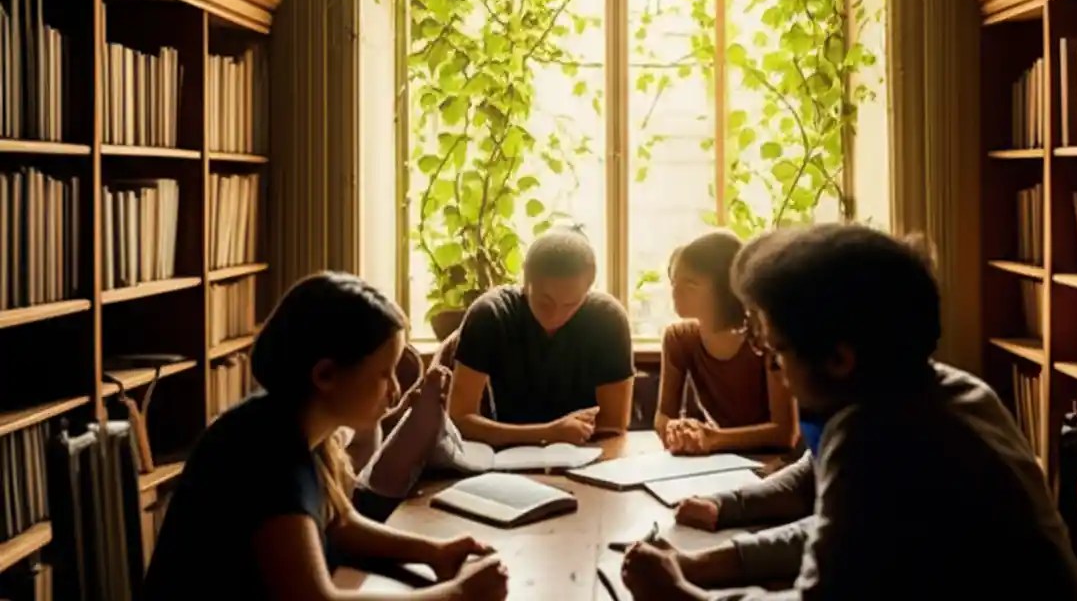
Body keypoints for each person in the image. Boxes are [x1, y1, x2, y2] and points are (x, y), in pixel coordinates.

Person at [622, 224, 1077, 601]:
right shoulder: (946, 390)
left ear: (839, 358)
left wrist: (676, 594)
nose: (771, 363)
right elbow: (821, 504)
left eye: (778, 348)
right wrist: (699, 561)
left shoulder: (878, 435)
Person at [143, 271, 509, 601]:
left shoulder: (296, 426)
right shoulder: (267, 455)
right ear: (325, 376)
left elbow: (341, 524)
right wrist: (456, 595)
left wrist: (435, 551)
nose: (396, 392)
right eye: (384, 375)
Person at [447, 228, 634, 446]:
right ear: (526, 280)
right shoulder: (491, 315)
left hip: (586, 451)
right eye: (545, 302)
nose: (556, 316)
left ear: (589, 286)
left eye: (571, 304)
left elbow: (614, 423)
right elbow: (459, 418)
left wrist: (561, 433)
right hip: (509, 457)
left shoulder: (608, 320)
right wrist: (549, 432)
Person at [657, 230, 798, 455]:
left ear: (727, 290)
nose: (676, 292)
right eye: (674, 282)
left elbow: (785, 433)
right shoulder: (679, 339)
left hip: (781, 463)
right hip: (724, 460)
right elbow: (663, 416)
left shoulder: (766, 338)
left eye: (690, 285)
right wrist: (676, 429)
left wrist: (714, 439)